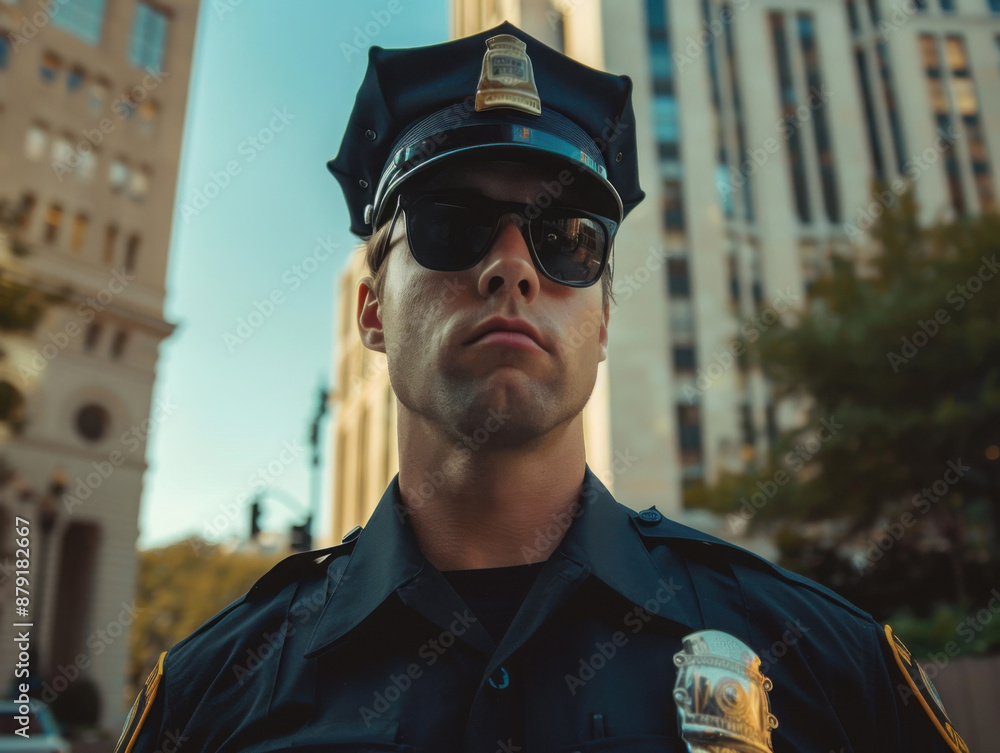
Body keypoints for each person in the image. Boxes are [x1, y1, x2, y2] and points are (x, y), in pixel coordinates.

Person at [117, 22, 969, 753]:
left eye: (567, 239)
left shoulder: (819, 662)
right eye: (452, 224)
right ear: (372, 312)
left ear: (602, 324)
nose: (513, 266)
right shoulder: (211, 695)